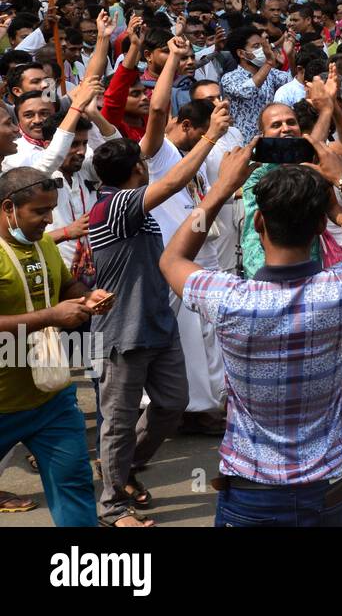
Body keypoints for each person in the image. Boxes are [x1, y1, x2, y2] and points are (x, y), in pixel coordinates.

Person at [159, 134, 342, 526]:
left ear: (258, 221)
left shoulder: (229, 298)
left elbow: (173, 258)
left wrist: (222, 186)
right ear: (322, 224)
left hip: (252, 492)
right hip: (327, 489)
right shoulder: (341, 289)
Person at [87, 98, 231, 527]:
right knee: (117, 420)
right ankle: (111, 507)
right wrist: (210, 138)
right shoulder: (113, 206)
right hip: (123, 332)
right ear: (137, 171)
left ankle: (125, 466)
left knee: (173, 403)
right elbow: (171, 184)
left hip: (157, 324)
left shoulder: (131, 204)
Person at [0, 167, 116, 527]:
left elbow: (65, 286)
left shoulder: (44, 243)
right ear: (8, 208)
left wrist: (87, 297)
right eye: (39, 211)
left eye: (51, 210)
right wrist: (51, 316)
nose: (49, 220)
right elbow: (51, 310)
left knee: (75, 487)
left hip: (52, 401)